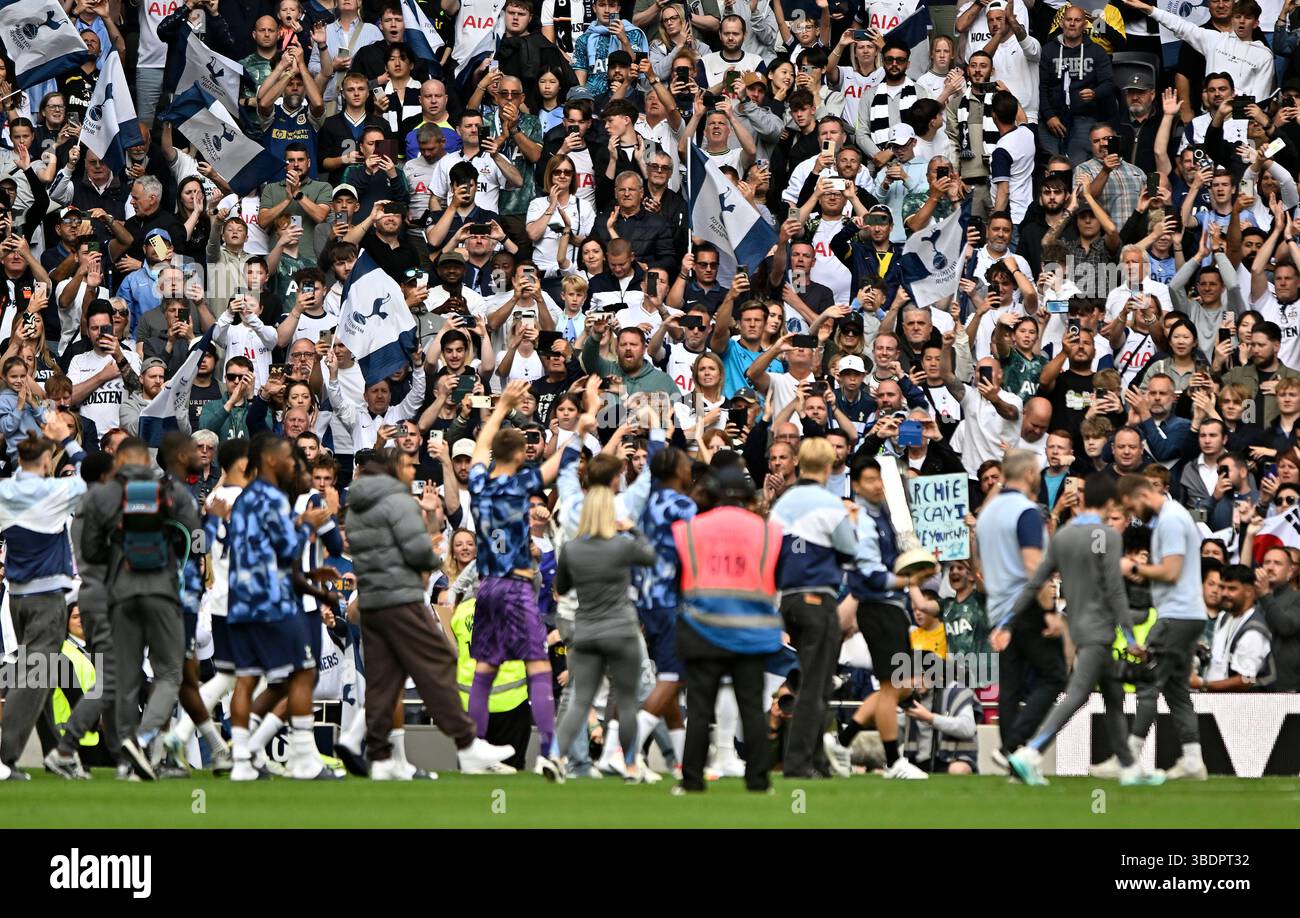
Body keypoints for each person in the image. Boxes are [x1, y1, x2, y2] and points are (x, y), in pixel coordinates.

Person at [346, 447, 517, 779]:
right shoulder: (398, 502)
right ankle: (467, 743)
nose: (414, 470)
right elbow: (421, 557)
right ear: (394, 468)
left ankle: (371, 750)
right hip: (400, 599)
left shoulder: (358, 508)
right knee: (440, 663)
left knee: (386, 678)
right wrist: (432, 534)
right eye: (409, 465)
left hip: (373, 602)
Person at [1006, 474, 1165, 786]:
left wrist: (1007, 620)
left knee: (1114, 697)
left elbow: (1036, 581)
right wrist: (1129, 636)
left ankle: (1129, 767)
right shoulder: (1108, 536)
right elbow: (1115, 590)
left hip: (1078, 627)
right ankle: (1031, 752)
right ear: (1109, 503)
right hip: (1100, 631)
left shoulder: (1064, 535)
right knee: (1077, 694)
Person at [79, 435, 198, 781]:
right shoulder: (172, 492)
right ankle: (143, 739)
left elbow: (90, 551)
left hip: (120, 594)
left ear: (119, 461)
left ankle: (125, 763)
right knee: (169, 673)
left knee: (127, 678)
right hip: (163, 592)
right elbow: (195, 541)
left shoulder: (101, 495)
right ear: (146, 460)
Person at [467, 379, 569, 780]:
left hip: (486, 586)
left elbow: (480, 448)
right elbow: (554, 466)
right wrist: (583, 425)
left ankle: (473, 751)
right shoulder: (517, 485)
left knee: (485, 669)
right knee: (538, 666)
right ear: (519, 454)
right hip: (514, 584)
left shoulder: (479, 484)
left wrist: (500, 407)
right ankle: (548, 752)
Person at [671, 465, 784, 794]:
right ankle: (759, 782)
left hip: (702, 630)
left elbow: (678, 578)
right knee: (751, 708)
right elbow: (777, 577)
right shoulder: (768, 532)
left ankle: (691, 782)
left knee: (700, 709)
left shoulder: (691, 529)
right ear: (748, 496)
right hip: (752, 632)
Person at [552, 469, 659, 782]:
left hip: (586, 630)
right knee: (626, 702)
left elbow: (562, 587)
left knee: (579, 701)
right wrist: (633, 529)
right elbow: (651, 556)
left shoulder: (572, 549)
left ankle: (556, 757)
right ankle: (630, 766)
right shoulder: (622, 545)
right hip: (621, 630)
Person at [0, 420, 86, 780]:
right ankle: (4, 758)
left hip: (17, 600)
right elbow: (90, 473)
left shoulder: (4, 489)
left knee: (40, 675)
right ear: (47, 461)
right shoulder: (55, 490)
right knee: (34, 678)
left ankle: (53, 752)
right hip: (47, 599)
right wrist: (66, 439)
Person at [770, 437, 858, 778]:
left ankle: (818, 761)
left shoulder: (782, 504)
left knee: (816, 683)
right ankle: (797, 764)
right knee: (813, 684)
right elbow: (850, 551)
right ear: (828, 466)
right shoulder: (829, 504)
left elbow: (770, 554)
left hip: (789, 601)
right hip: (818, 599)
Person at [1112, 473, 1209, 780]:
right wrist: (1144, 572)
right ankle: (1193, 760)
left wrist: (1133, 566)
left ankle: (1127, 759)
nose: (1132, 515)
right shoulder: (1171, 518)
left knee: (1148, 681)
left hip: (1176, 615)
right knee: (1176, 690)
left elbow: (1170, 572)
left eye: (1131, 508)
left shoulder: (1170, 520)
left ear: (1142, 495)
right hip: (1187, 614)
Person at [976, 448, 1063, 769]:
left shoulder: (987, 514)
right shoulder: (1025, 512)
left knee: (1010, 686)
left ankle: (1014, 761)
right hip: (1025, 606)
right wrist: (1049, 610)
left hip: (998, 606)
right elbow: (1033, 565)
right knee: (1055, 676)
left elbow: (979, 564)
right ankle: (1012, 747)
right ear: (1028, 474)